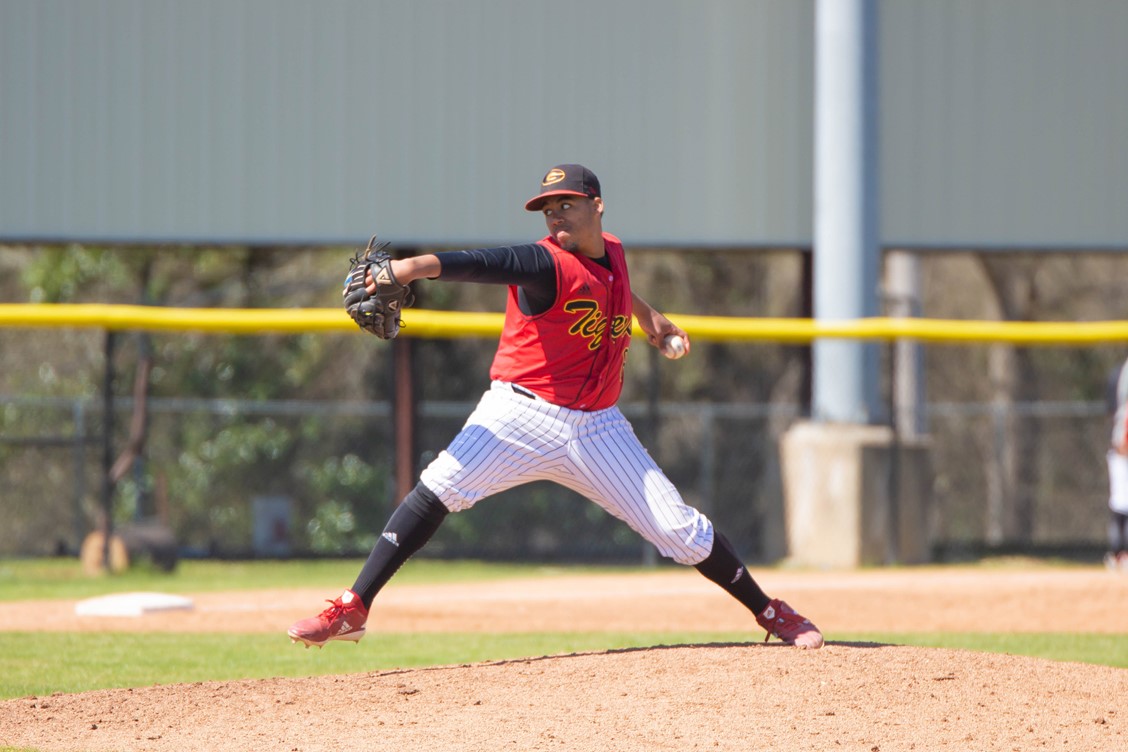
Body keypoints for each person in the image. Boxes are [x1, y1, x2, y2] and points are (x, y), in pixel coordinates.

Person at [288, 164, 823, 649]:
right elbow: (479, 264)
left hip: (598, 428)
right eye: (548, 207)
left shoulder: (612, 249)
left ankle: (771, 611)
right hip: (519, 415)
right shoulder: (541, 262)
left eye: (566, 203)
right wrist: (407, 269)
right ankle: (352, 608)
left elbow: (613, 286)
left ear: (597, 205)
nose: (555, 215)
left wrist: (650, 318)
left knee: (680, 530)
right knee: (440, 485)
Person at [1105, 357, 1128, 571]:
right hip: (1121, 454)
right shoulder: (1120, 374)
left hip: (1119, 452)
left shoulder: (1118, 373)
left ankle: (1118, 554)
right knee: (1121, 504)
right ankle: (1118, 554)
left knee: (1121, 504)